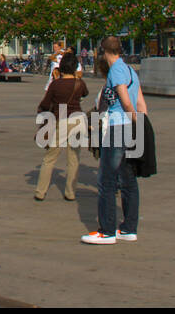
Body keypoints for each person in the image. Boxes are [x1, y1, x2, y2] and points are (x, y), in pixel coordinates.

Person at [82, 35, 146, 245]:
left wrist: (131, 120)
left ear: (103, 51)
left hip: (118, 127)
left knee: (106, 180)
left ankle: (107, 231)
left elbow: (127, 102)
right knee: (127, 179)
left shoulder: (116, 70)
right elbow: (141, 102)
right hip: (129, 129)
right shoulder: (130, 71)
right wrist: (140, 124)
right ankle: (128, 228)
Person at [34, 51, 87, 201]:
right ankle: (70, 192)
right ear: (75, 67)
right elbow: (85, 93)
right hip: (77, 120)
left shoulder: (56, 84)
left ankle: (40, 191)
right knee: (74, 158)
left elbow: (45, 103)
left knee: (50, 158)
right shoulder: (79, 83)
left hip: (61, 120)